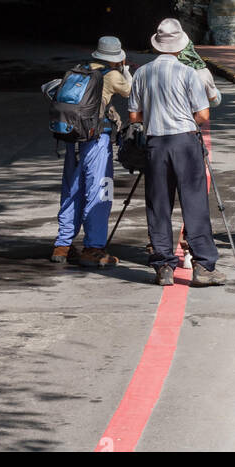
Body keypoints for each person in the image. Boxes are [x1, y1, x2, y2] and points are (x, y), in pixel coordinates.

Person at [128, 18, 225, 288]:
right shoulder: (188, 73)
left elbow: (134, 115)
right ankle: (203, 267)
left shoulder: (142, 73)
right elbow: (203, 114)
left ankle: (163, 267)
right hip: (185, 141)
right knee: (194, 204)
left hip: (156, 144)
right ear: (180, 45)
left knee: (158, 205)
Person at [50, 35, 130, 268]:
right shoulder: (113, 75)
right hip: (96, 139)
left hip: (72, 137)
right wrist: (124, 68)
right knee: (100, 189)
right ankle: (93, 248)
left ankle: (62, 245)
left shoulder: (81, 70)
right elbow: (131, 91)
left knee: (72, 188)